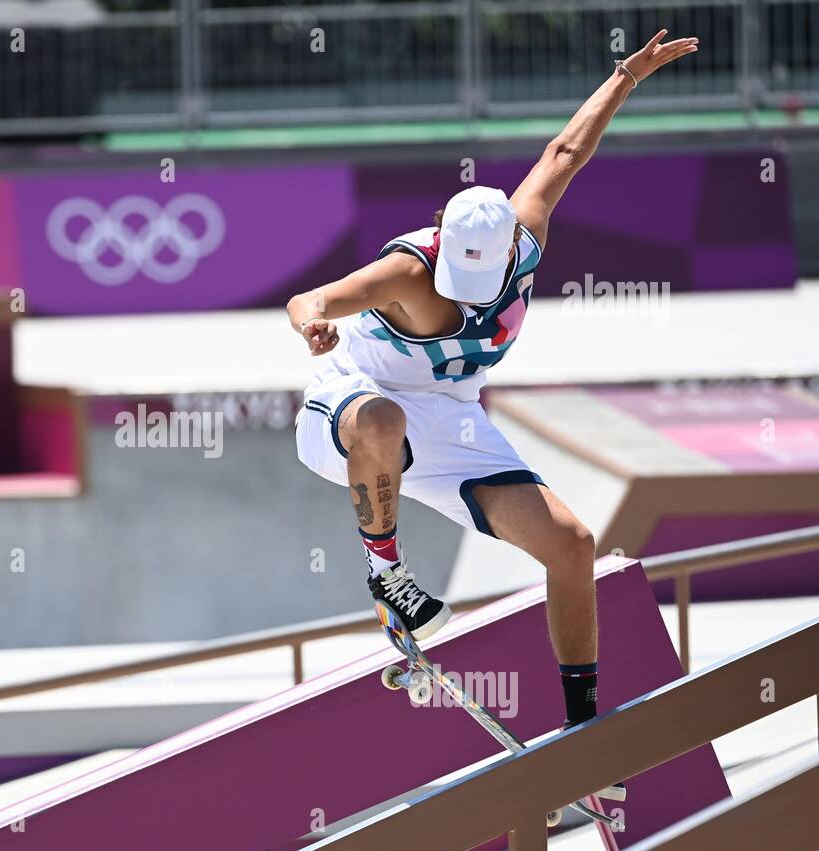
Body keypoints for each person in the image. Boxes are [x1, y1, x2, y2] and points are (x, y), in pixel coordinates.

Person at [289, 30, 699, 745]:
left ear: (512, 245)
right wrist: (315, 328)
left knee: (573, 543)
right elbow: (310, 300)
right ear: (442, 243)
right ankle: (387, 577)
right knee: (383, 417)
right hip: (351, 407)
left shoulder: (526, 231)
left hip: (451, 422)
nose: (470, 300)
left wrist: (627, 76)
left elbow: (565, 153)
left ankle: (582, 724)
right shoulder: (407, 272)